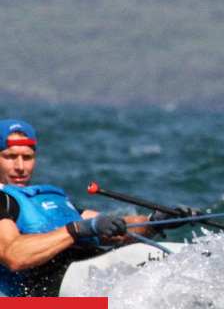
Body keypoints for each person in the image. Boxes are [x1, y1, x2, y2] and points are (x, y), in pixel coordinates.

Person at [0, 119, 199, 296]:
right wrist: (77, 229)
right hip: (45, 295)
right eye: (10, 157)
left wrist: (154, 222)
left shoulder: (48, 198)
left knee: (193, 262)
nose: (20, 167)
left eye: (27, 157)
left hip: (93, 273)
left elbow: (118, 229)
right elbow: (14, 256)